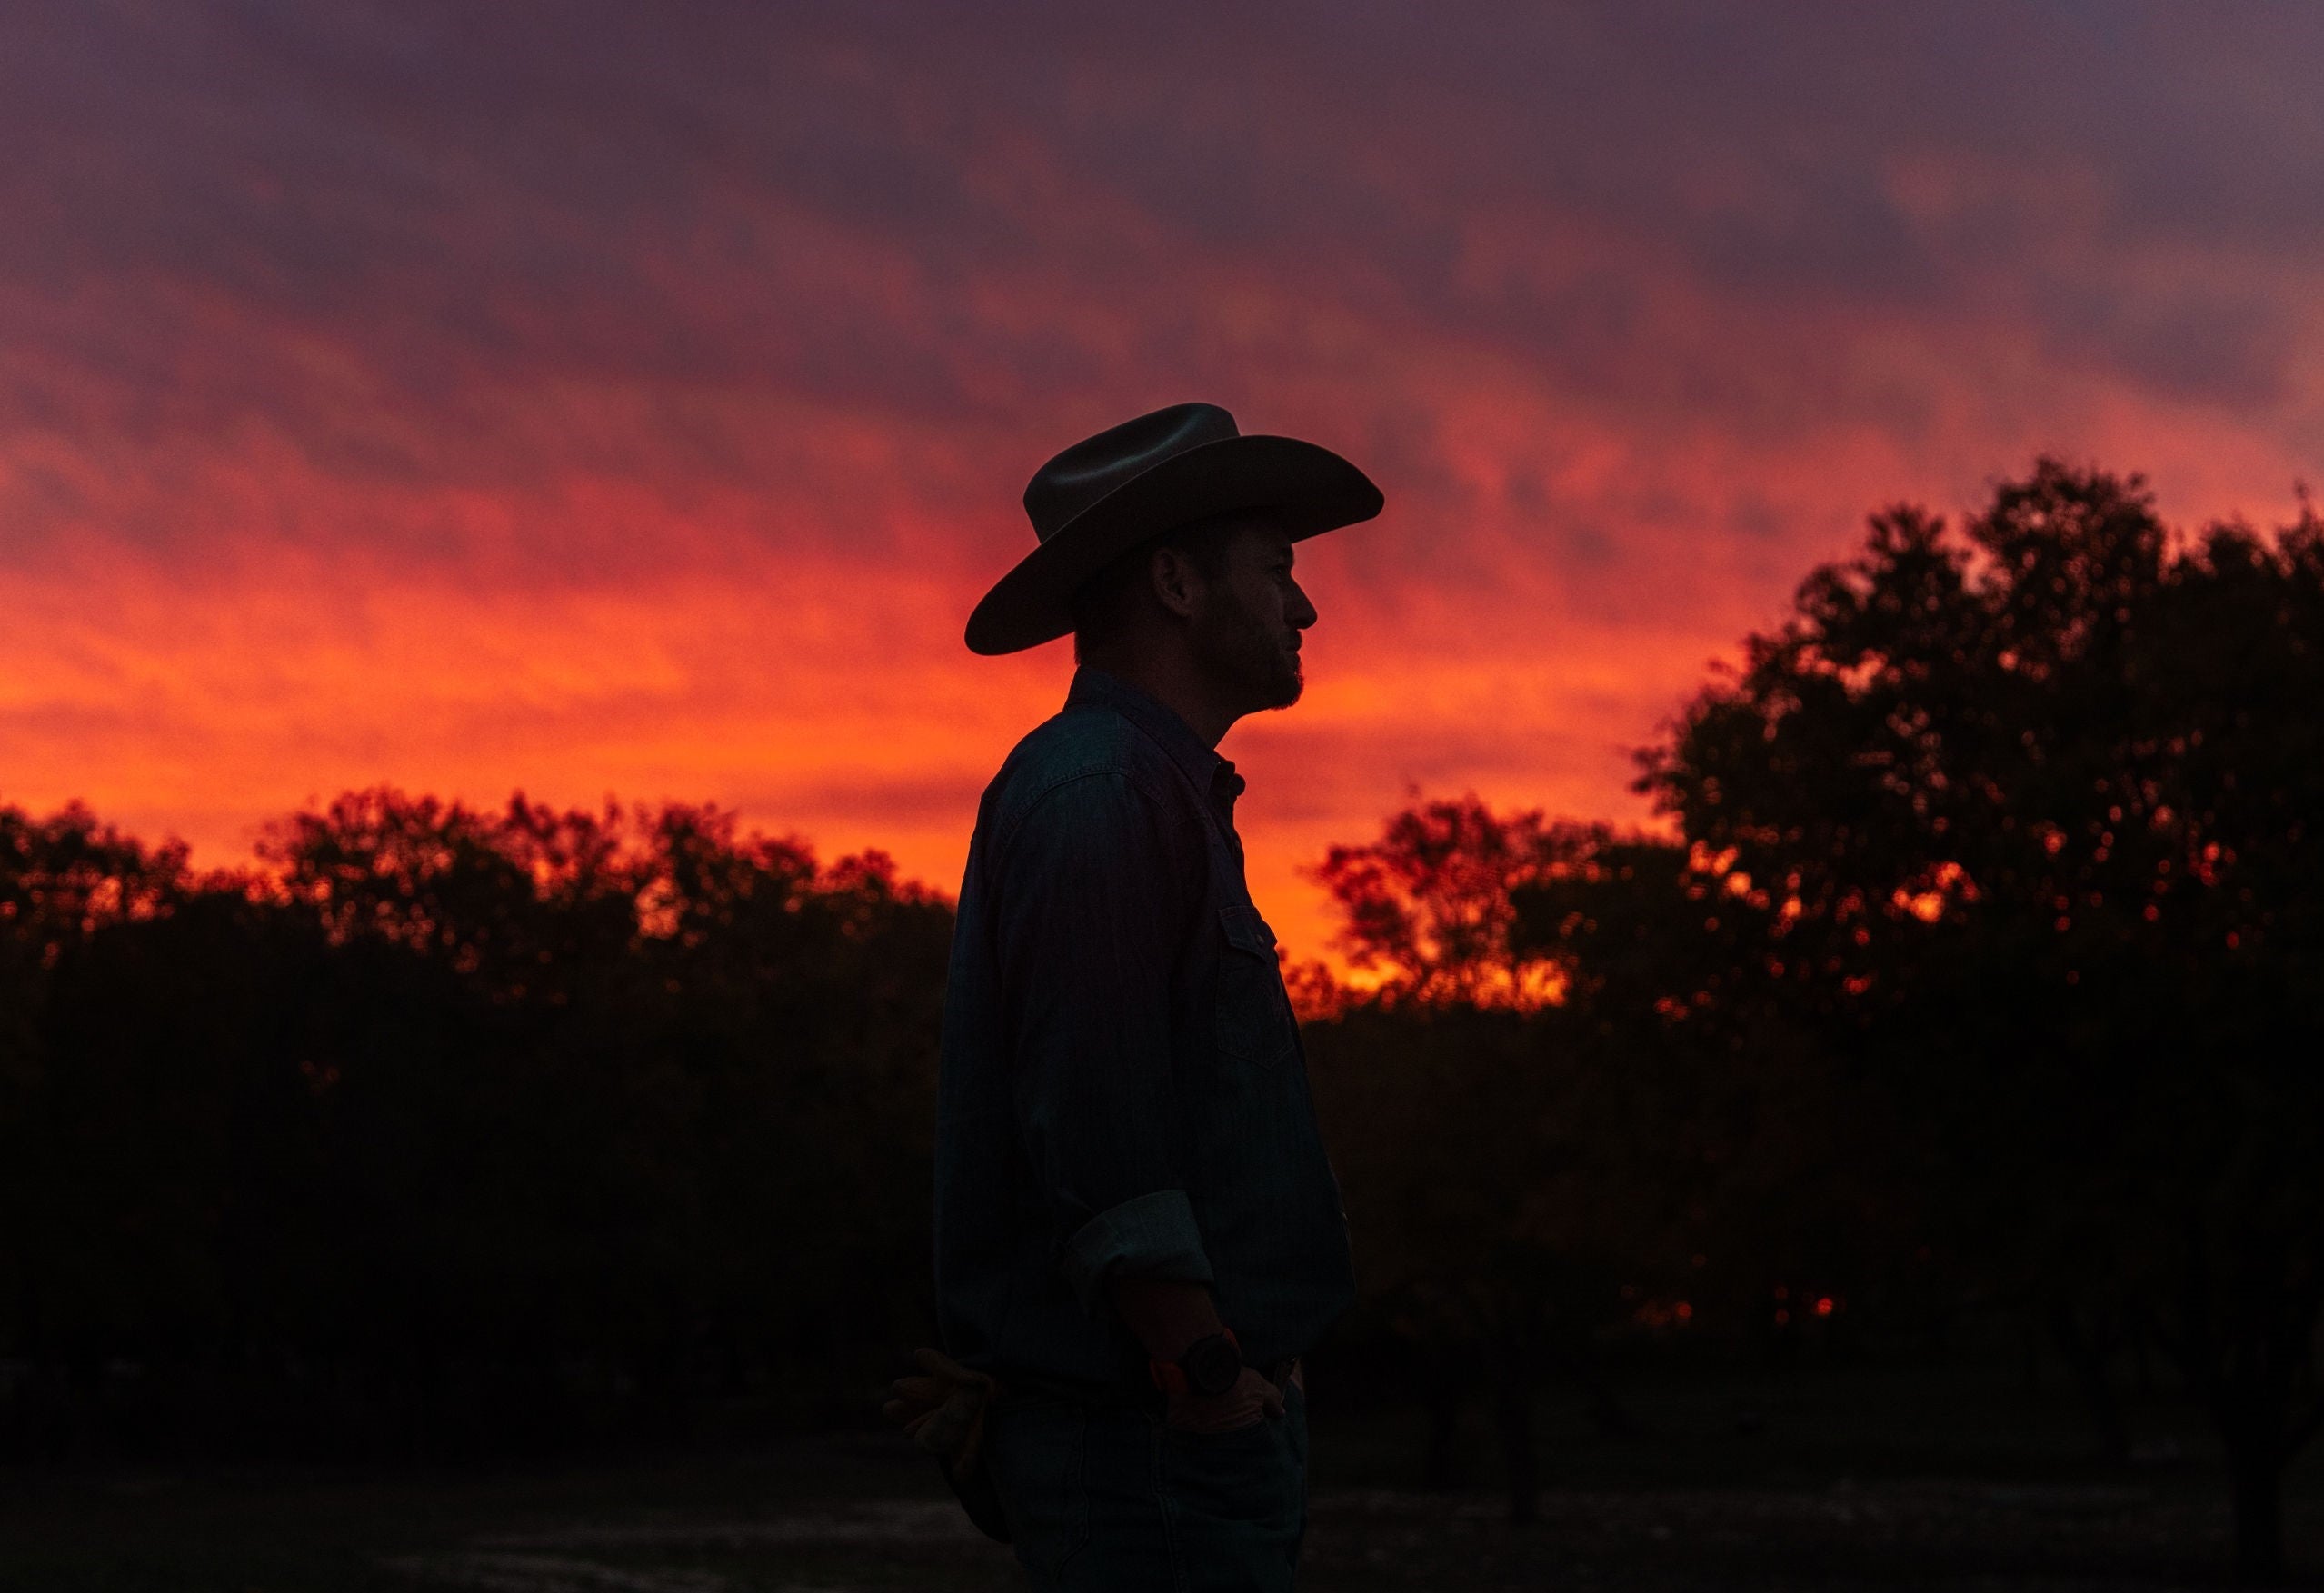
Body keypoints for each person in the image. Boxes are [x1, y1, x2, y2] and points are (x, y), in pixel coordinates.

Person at [928, 403, 1383, 1590]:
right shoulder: (1103, 793)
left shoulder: (1146, 790)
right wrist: (1205, 1372)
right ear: (1178, 584)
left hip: (1170, 1435)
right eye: (1276, 570)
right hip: (1153, 1442)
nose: (1302, 608)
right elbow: (1101, 1126)